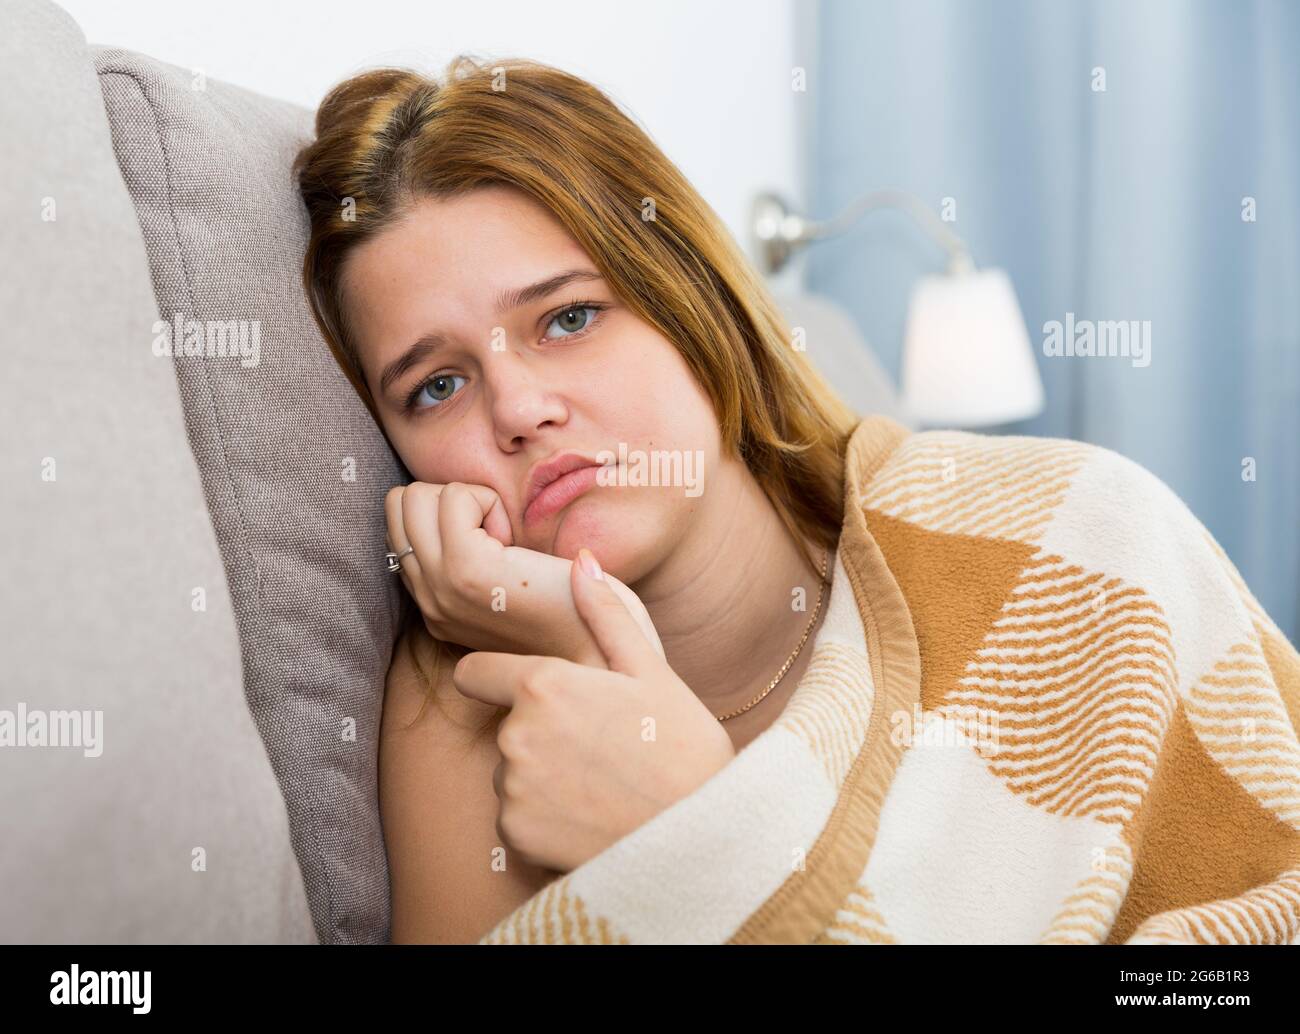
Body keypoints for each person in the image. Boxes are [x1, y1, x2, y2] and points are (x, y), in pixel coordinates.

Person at [293, 57, 1300, 946]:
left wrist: (699, 832)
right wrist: (572, 648)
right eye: (436, 385)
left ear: (698, 302)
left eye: (567, 317)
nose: (517, 407)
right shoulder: (466, 707)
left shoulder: (1075, 533)